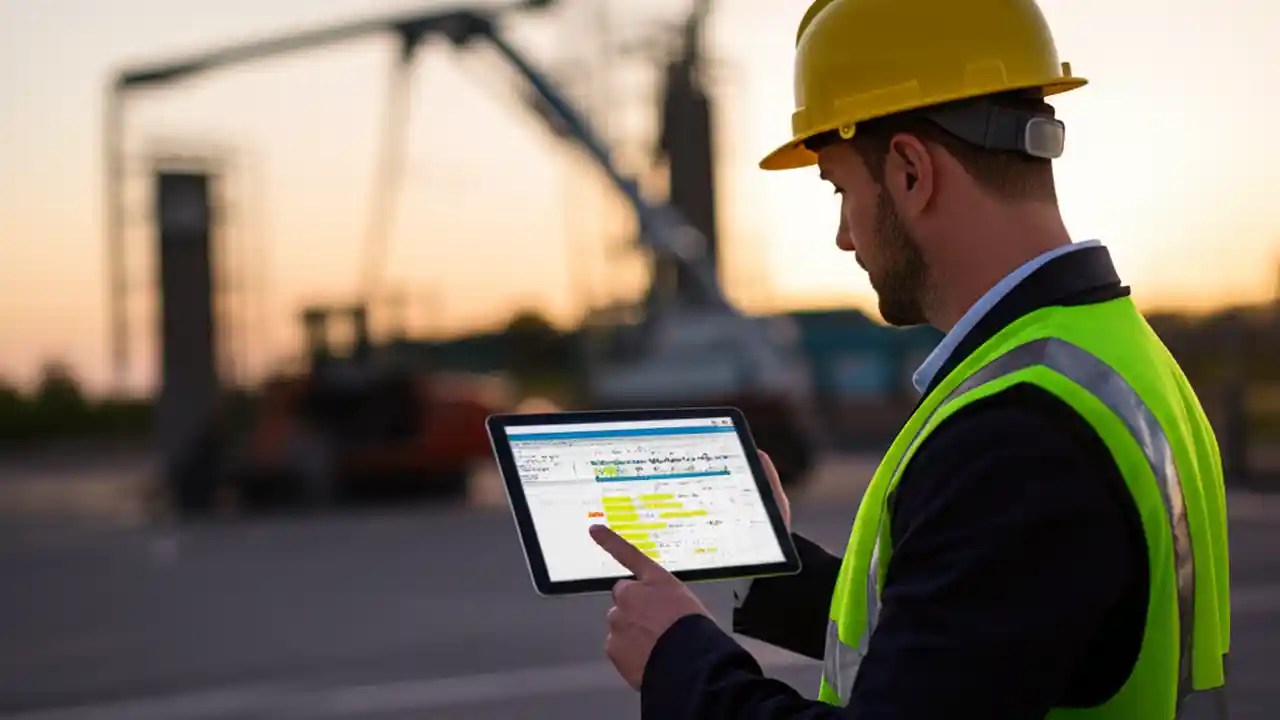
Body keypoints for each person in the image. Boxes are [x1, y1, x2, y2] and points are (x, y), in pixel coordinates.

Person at [586, 0, 1233, 718]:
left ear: (910, 172)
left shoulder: (1014, 434)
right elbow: (984, 629)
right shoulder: (1111, 356)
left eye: (841, 189)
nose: (842, 235)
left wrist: (678, 658)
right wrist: (767, 566)